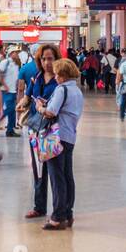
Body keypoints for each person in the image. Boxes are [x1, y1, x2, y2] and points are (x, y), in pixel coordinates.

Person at [37, 58, 85, 231]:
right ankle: (68, 213)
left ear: (63, 75)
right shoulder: (77, 91)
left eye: (57, 74)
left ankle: (57, 217)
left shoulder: (61, 89)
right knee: (67, 176)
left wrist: (40, 108)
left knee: (56, 177)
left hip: (55, 136)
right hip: (70, 136)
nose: (55, 77)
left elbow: (51, 112)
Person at [23, 44, 61, 220]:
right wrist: (21, 104)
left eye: (50, 58)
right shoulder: (36, 77)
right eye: (44, 59)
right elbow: (27, 97)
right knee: (37, 168)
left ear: (56, 59)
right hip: (34, 128)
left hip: (51, 130)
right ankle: (39, 206)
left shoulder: (60, 81)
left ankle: (59, 210)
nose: (47, 62)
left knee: (53, 170)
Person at [0, 48, 22, 136]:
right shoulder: (5, 62)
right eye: (15, 52)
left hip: (13, 91)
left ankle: (10, 130)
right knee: (8, 110)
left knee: (12, 112)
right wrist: (5, 86)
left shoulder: (16, 64)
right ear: (11, 53)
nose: (17, 54)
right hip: (6, 91)